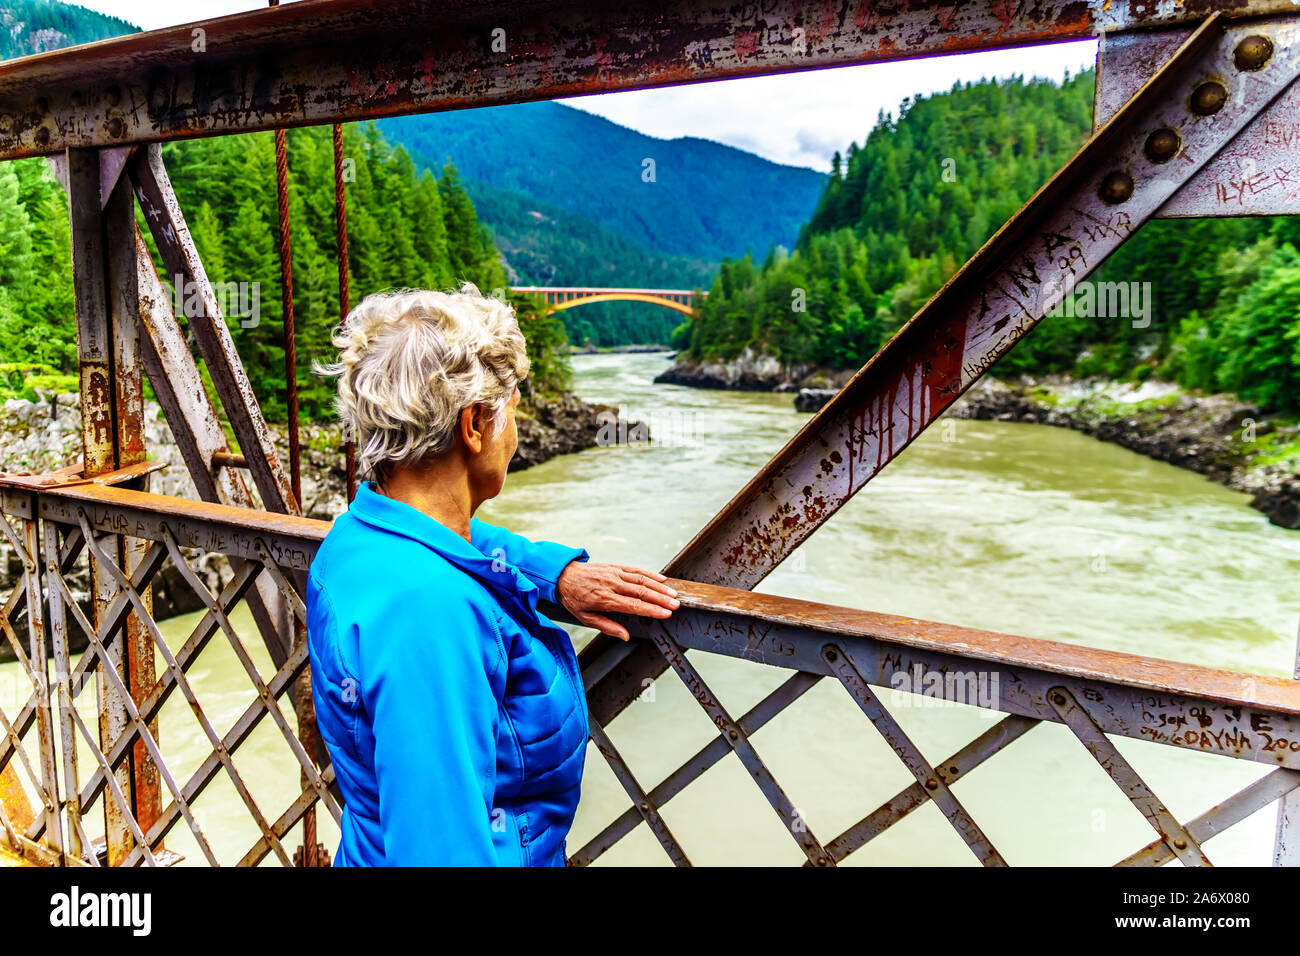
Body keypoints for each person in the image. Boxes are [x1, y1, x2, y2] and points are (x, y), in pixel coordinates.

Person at [306, 284, 678, 866]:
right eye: (510, 412)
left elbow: (459, 543)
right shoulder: (430, 613)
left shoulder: (358, 537)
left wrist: (553, 575)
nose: (516, 433)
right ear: (474, 425)